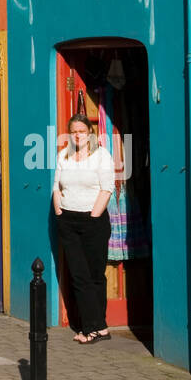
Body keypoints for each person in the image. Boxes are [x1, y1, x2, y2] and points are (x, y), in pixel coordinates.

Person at [52, 114, 115, 343]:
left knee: (95, 275)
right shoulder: (64, 156)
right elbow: (56, 186)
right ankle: (92, 328)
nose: (78, 135)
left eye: (81, 130)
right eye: (74, 131)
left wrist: (93, 215)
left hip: (93, 222)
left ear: (90, 132)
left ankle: (98, 327)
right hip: (68, 221)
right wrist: (59, 212)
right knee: (79, 276)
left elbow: (107, 189)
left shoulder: (101, 157)